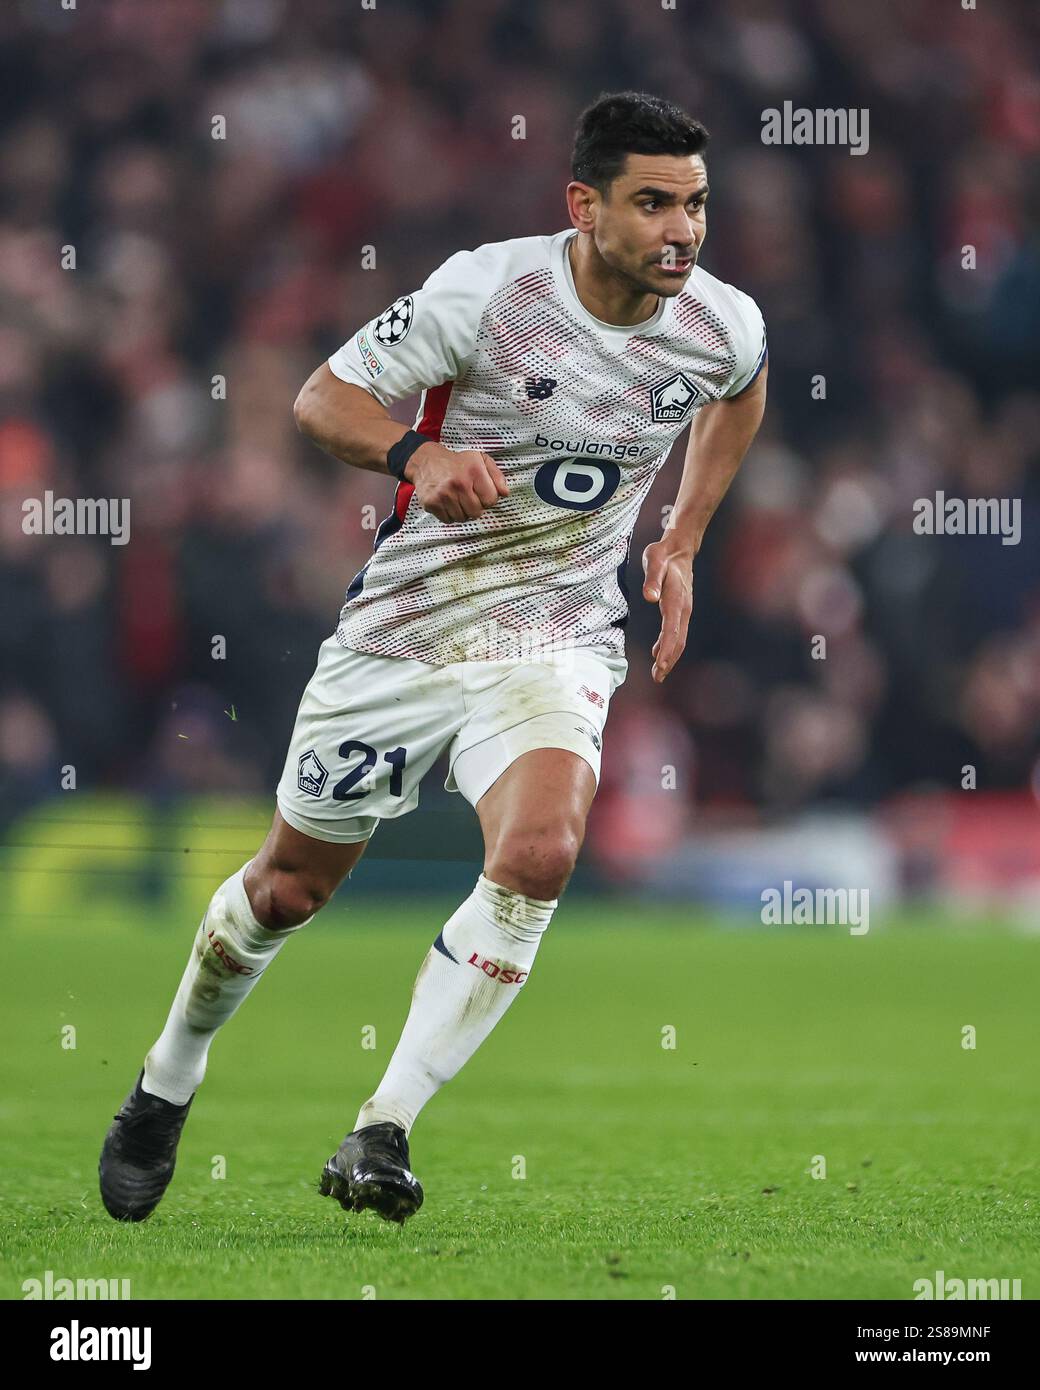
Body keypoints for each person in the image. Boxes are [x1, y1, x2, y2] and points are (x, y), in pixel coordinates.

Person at [99, 89, 768, 1226]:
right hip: (408, 630)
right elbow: (323, 401)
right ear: (582, 204)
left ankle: (383, 1125)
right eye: (652, 204)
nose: (681, 233)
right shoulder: (490, 291)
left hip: (555, 634)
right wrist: (418, 454)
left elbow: (739, 394)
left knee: (543, 852)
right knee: (285, 890)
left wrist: (683, 537)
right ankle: (166, 1080)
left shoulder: (719, 324)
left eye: (695, 205)